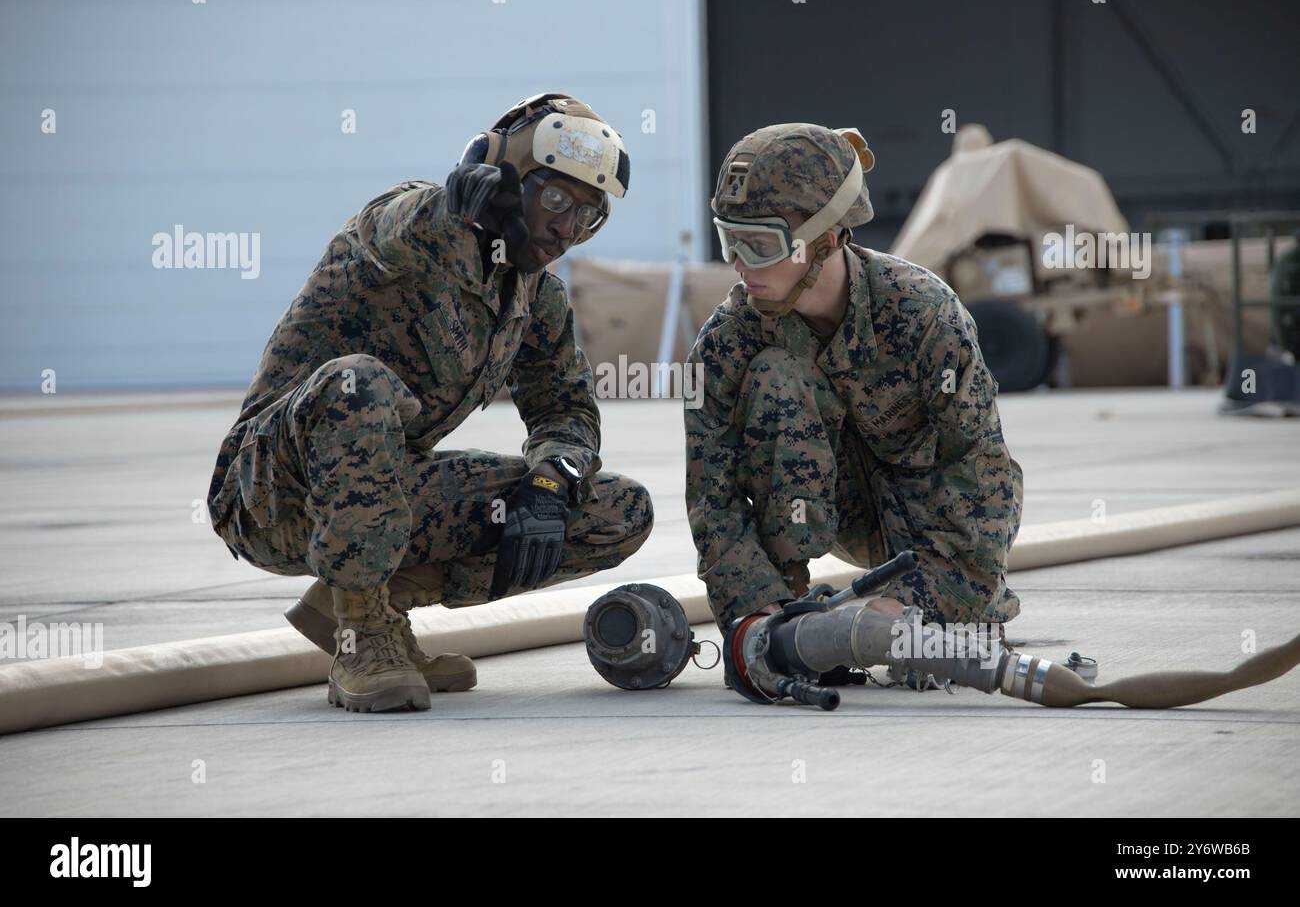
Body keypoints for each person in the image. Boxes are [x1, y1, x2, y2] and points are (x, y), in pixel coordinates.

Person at [206, 94, 653, 712]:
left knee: (618, 508)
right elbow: (398, 228)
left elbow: (565, 409)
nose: (566, 227)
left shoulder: (536, 296)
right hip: (272, 493)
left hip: (383, 495)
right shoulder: (408, 227)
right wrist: (454, 205)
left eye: (588, 215)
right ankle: (360, 632)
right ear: (506, 176)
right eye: (554, 199)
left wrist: (552, 479)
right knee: (359, 383)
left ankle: (377, 608)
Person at [685, 123, 1022, 654]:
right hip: (835, 514)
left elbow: (982, 472)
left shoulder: (922, 312)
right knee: (777, 373)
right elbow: (713, 499)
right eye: (731, 239)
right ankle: (786, 600)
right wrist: (755, 613)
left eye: (761, 243)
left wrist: (927, 596)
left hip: (927, 523)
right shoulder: (728, 343)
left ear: (827, 239)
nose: (740, 263)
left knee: (932, 647)